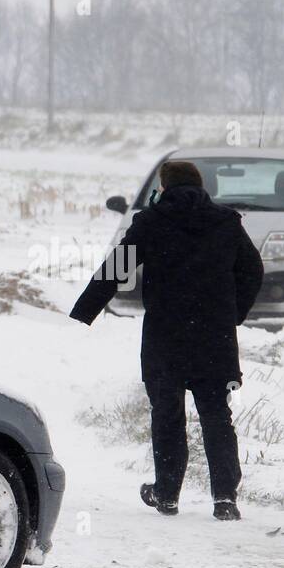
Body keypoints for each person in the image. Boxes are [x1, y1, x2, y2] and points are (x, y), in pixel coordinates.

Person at [71, 160, 263, 520]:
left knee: (167, 414)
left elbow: (117, 267)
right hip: (214, 338)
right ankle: (224, 499)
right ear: (200, 185)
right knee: (217, 415)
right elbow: (253, 270)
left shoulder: (151, 223)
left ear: (164, 187)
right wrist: (232, 313)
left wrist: (84, 311)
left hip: (165, 337)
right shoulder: (226, 222)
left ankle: (166, 493)